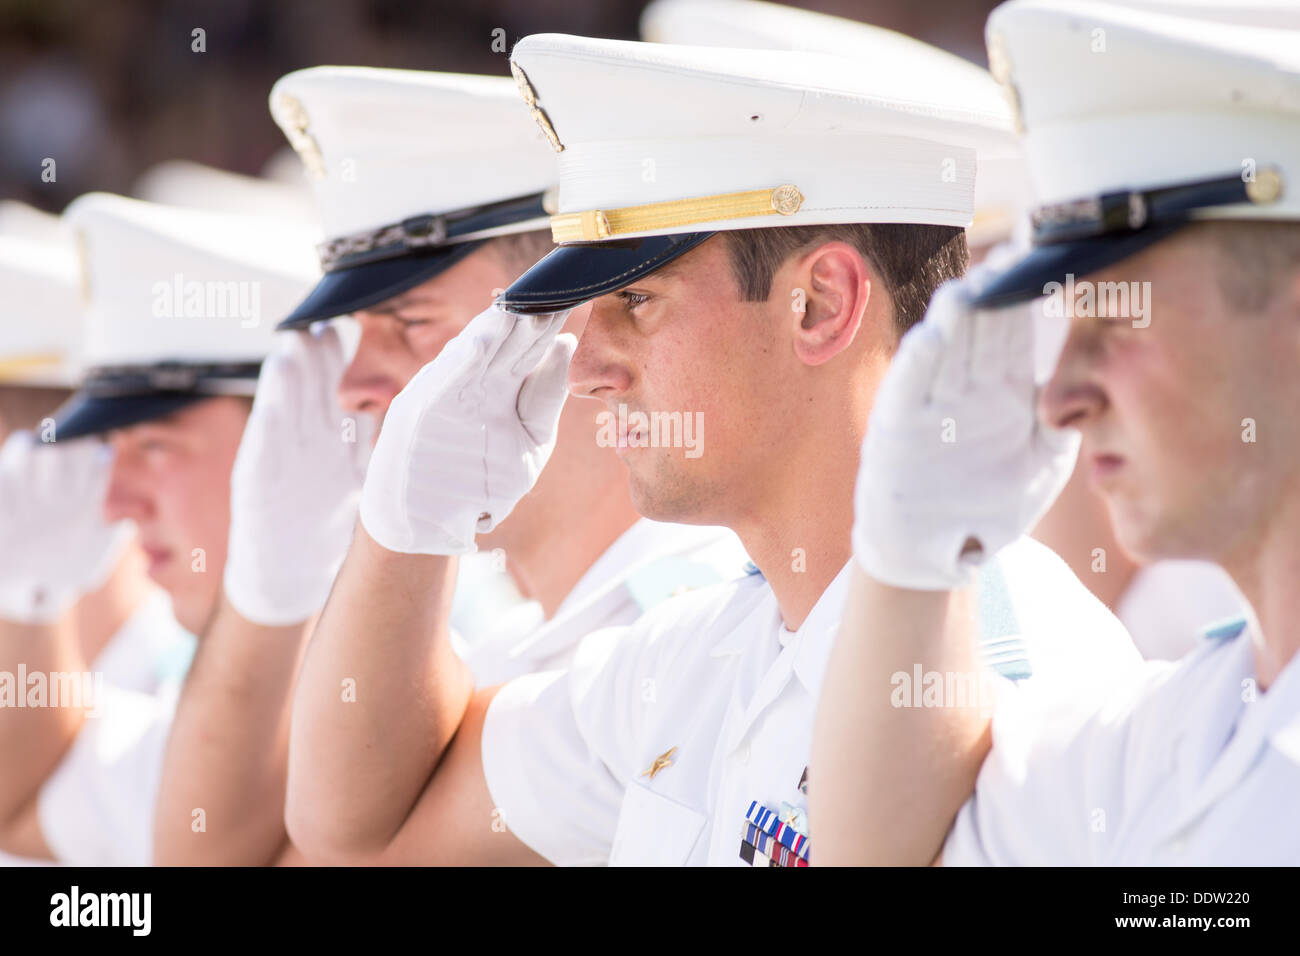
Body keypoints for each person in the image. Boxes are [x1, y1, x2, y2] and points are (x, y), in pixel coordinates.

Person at [285, 32, 1135, 866]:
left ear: (819, 305)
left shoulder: (1017, 696)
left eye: (639, 301)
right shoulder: (689, 660)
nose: (586, 368)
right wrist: (409, 528)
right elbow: (360, 831)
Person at [151, 67, 745, 865]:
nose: (355, 387)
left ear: (567, 313)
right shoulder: (496, 645)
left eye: (408, 321)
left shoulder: (685, 622)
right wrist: (271, 586)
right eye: (356, 335)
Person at [812, 0, 1300, 865]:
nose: (1061, 399)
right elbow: (879, 856)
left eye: (1117, 319)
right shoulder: (1180, 734)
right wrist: (918, 548)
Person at [0, 191, 316, 865]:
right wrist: (27, 593)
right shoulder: (181, 719)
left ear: (295, 439)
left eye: (153, 445)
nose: (114, 502)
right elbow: (18, 809)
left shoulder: (413, 721)